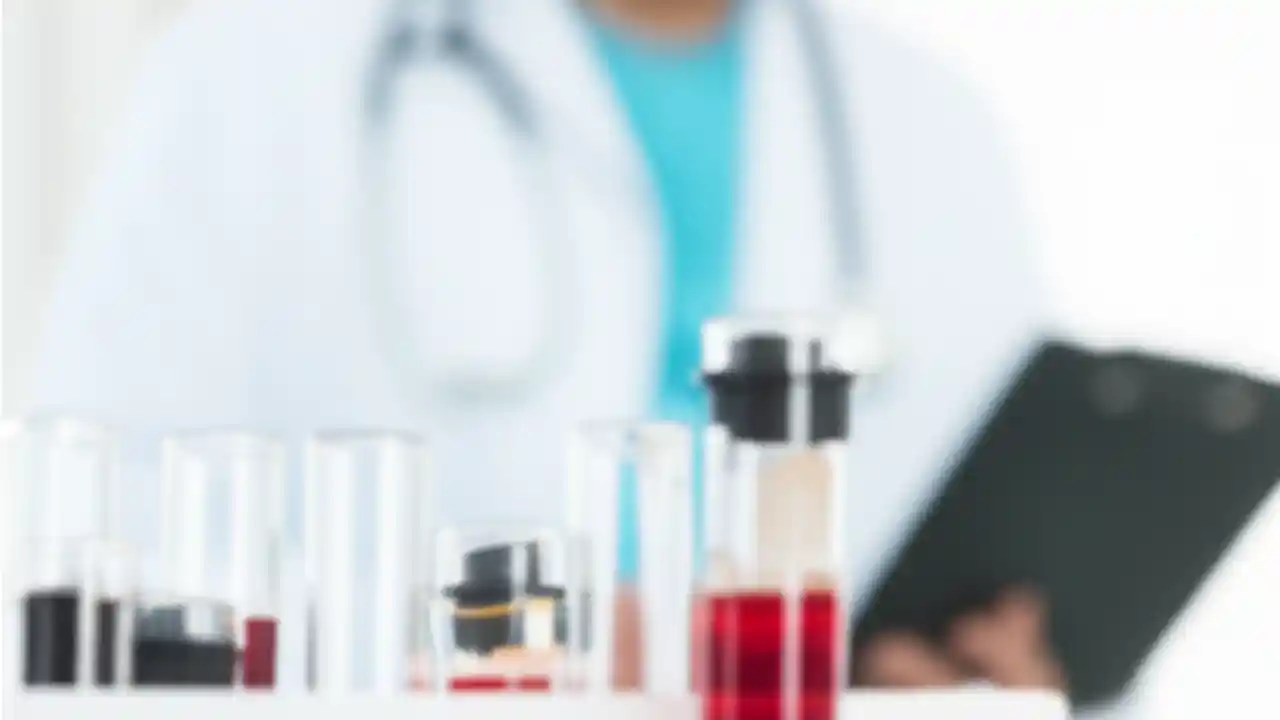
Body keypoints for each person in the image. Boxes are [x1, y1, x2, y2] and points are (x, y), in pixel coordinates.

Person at [28, 0, 1056, 691]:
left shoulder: (926, 121)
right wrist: (504, 643)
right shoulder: (271, 62)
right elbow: (85, 526)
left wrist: (997, 679)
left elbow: (1006, 522)